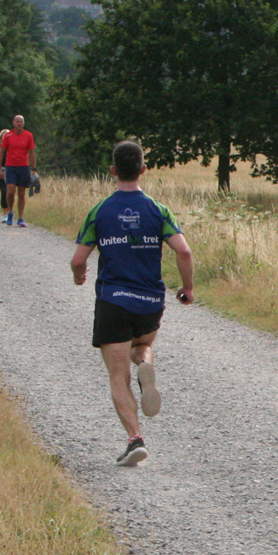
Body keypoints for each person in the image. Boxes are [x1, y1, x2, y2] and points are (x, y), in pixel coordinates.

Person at [71, 141, 196, 467]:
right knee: (140, 346)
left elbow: (78, 258)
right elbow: (183, 251)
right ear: (143, 169)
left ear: (113, 171)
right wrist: (187, 288)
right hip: (150, 302)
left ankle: (135, 439)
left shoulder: (100, 211)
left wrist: (79, 276)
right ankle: (145, 364)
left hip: (113, 300)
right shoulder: (159, 210)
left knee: (117, 376)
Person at [0, 114, 36, 226]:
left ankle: (21, 217)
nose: (19, 123)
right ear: (13, 123)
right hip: (10, 167)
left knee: (21, 193)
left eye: (21, 121)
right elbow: (1, 151)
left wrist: (34, 168)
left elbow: (31, 152)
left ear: (24, 123)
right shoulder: (8, 136)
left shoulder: (28, 136)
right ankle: (10, 212)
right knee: (10, 191)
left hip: (23, 167)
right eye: (17, 121)